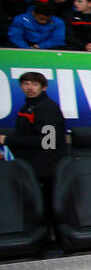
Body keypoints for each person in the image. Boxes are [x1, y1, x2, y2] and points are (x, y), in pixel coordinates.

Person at [0, 72, 67, 221]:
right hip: (30, 165)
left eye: (35, 84)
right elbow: (25, 136)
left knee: (45, 208)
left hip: (45, 169)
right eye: (26, 84)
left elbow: (48, 141)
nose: (30, 87)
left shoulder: (47, 108)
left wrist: (8, 140)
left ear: (44, 87)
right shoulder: (28, 107)